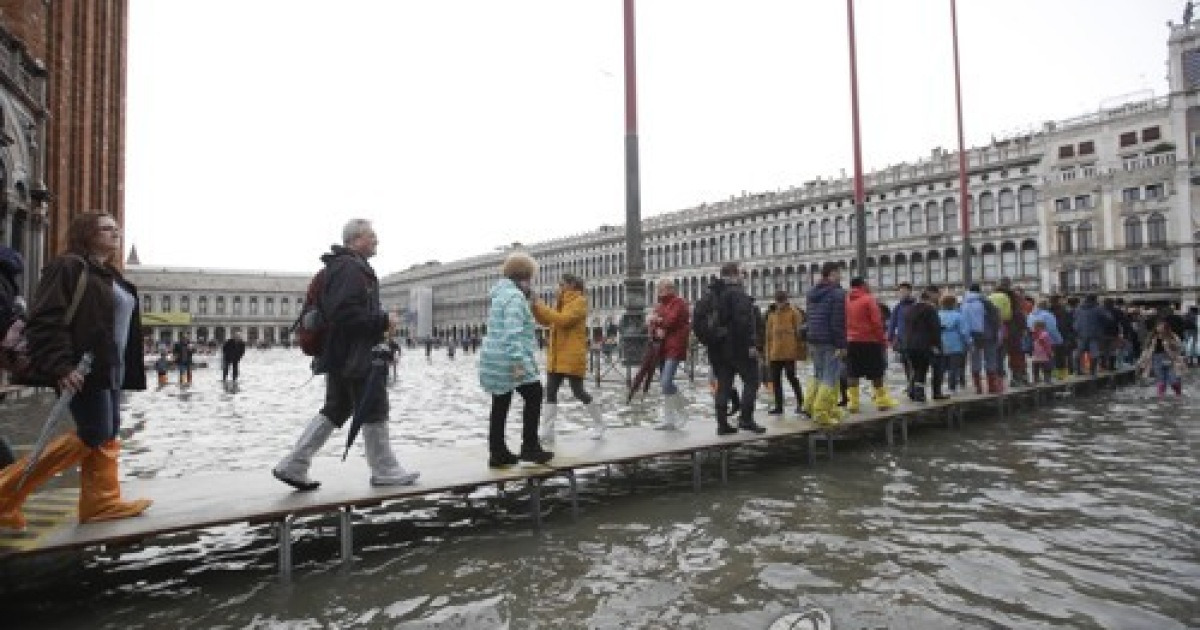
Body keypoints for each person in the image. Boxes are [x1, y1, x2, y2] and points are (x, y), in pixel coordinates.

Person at [0, 212, 152, 529]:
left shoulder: (108, 274)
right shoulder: (68, 267)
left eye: (117, 229)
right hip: (81, 368)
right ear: (86, 233)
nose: (115, 233)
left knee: (107, 433)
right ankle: (5, 493)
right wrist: (61, 366)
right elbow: (46, 319)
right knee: (94, 432)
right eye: (106, 229)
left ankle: (101, 502)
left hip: (109, 367)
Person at [272, 219, 420, 490]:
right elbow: (344, 313)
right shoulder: (351, 268)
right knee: (374, 405)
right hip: (356, 354)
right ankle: (384, 469)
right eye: (371, 235)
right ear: (356, 239)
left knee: (337, 408)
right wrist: (383, 320)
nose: (376, 240)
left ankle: (294, 463)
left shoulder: (341, 266)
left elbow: (342, 311)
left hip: (340, 353)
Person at [478, 252, 554, 467]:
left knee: (501, 401)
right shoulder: (514, 297)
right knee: (535, 393)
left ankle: (497, 452)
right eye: (530, 278)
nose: (531, 283)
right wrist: (519, 364)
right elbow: (513, 333)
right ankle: (530, 447)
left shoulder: (500, 294)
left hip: (494, 359)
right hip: (508, 360)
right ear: (524, 277)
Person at [533, 273, 605, 442]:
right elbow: (547, 321)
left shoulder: (580, 302)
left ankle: (600, 424)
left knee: (578, 392)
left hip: (572, 355)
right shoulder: (560, 302)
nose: (559, 287)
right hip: (556, 355)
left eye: (562, 284)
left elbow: (563, 320)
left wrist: (541, 306)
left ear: (572, 285)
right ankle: (547, 432)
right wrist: (535, 307)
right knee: (550, 392)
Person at [702, 263, 766, 435]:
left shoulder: (711, 293)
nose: (742, 277)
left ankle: (722, 424)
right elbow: (744, 322)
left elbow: (699, 321)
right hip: (738, 347)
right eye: (740, 274)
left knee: (723, 385)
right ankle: (746, 419)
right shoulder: (738, 293)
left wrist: (709, 341)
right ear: (734, 275)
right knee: (752, 381)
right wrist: (751, 345)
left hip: (717, 348)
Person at [803, 262, 848, 426]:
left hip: (814, 338)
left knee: (818, 374)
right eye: (839, 273)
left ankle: (810, 405)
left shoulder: (812, 293)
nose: (841, 276)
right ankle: (821, 411)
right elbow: (837, 322)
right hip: (830, 340)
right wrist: (842, 345)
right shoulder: (837, 293)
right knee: (830, 375)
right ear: (832, 273)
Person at [844, 278, 898, 412]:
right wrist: (883, 340)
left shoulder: (846, 300)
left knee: (852, 372)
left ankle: (853, 403)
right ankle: (882, 401)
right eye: (867, 284)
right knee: (876, 372)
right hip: (870, 341)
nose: (870, 286)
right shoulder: (869, 299)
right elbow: (876, 322)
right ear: (863, 285)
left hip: (851, 341)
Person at [648, 278, 691, 430]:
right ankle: (669, 420)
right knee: (664, 384)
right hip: (662, 347)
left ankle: (682, 409)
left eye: (663, 288)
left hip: (675, 346)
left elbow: (671, 321)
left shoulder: (679, 303)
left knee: (666, 381)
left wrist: (656, 320)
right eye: (659, 289)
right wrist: (655, 326)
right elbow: (653, 325)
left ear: (671, 289)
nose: (660, 291)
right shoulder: (660, 305)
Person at [764, 290, 807, 416]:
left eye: (782, 301)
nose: (780, 304)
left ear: (786, 300)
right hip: (775, 352)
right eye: (778, 302)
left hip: (789, 351)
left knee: (791, 377)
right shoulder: (772, 314)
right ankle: (779, 406)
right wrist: (767, 354)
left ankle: (801, 403)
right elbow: (768, 335)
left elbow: (799, 332)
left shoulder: (793, 312)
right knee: (776, 380)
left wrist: (800, 350)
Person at [902, 287, 945, 402]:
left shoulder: (909, 309)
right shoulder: (930, 309)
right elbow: (935, 329)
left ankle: (914, 392)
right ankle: (933, 393)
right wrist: (936, 345)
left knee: (917, 369)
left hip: (909, 344)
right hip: (924, 344)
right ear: (929, 298)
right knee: (934, 367)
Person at [1137, 320, 1184, 397]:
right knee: (1161, 379)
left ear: (1166, 328)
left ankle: (1178, 393)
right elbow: (1146, 349)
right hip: (1156, 359)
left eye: (1162, 326)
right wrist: (1141, 361)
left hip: (1170, 359)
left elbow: (1179, 347)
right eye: (1159, 326)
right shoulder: (1152, 337)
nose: (1160, 328)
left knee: (1174, 380)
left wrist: (1169, 344)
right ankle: (1161, 396)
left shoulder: (1172, 336)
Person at [938, 294, 970, 395]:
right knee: (953, 368)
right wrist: (968, 343)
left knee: (941, 368)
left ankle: (938, 388)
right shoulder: (958, 316)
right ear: (953, 304)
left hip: (941, 344)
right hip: (956, 345)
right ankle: (952, 388)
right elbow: (964, 332)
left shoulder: (938, 315)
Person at [1073, 295, 1111, 377]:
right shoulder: (1098, 309)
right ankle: (1092, 372)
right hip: (1094, 335)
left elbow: (1074, 319)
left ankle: (1078, 371)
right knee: (1094, 354)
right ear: (1094, 300)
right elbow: (1109, 318)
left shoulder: (1078, 309)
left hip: (1080, 334)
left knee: (1079, 353)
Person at [886, 282, 916, 382]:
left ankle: (913, 384)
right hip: (902, 340)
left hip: (915, 339)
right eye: (900, 291)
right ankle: (910, 383)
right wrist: (890, 338)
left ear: (910, 291)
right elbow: (892, 323)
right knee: (906, 363)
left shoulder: (916, 305)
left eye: (904, 291)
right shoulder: (897, 307)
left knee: (914, 363)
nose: (902, 293)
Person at [1027, 299, 1062, 382]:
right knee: (1048, 364)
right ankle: (1048, 379)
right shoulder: (1048, 315)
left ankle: (1036, 379)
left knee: (1036, 365)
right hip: (1048, 344)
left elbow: (1029, 328)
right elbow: (1052, 329)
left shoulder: (1030, 315)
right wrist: (1059, 340)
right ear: (1046, 306)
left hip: (1035, 349)